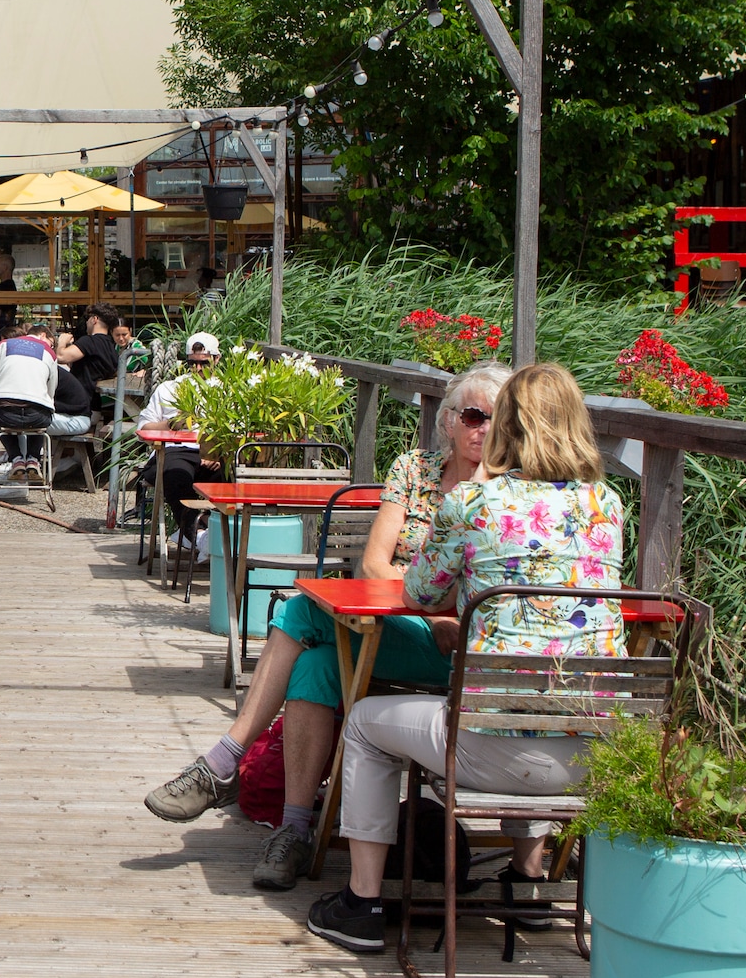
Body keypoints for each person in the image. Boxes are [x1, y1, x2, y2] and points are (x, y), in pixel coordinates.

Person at [142, 362, 514, 891]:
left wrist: (424, 593)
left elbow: (480, 580)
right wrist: (434, 604)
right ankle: (293, 829)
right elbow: (371, 566)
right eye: (474, 415)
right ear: (449, 420)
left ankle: (225, 762)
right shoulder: (415, 469)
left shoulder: (513, 490)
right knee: (315, 664)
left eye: (497, 418)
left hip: (474, 650)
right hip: (411, 632)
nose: (484, 428)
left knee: (300, 613)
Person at [306, 362, 629, 952]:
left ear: (506, 425)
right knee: (544, 686)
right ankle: (527, 885)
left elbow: (417, 593)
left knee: (363, 725)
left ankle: (361, 901)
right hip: (593, 756)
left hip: (488, 751)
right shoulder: (607, 506)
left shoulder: (476, 501)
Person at [137, 331, 223, 550]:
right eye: (192, 363)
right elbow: (144, 427)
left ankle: (214, 532)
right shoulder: (170, 388)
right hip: (176, 451)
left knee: (235, 474)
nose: (198, 369)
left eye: (204, 363)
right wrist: (172, 424)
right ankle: (195, 531)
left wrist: (216, 454)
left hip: (215, 453)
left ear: (217, 359)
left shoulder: (225, 390)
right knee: (176, 473)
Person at [0, 327, 81, 470]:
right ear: (42, 335)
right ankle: (33, 459)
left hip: (6, 414)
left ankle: (16, 458)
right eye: (51, 342)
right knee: (41, 414)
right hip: (37, 416)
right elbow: (51, 390)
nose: (51, 346)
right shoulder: (49, 353)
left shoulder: (5, 344)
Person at [53, 304, 122, 414]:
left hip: (77, 407)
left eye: (88, 318)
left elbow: (61, 357)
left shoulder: (89, 341)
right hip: (95, 406)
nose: (86, 322)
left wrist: (62, 341)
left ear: (94, 319)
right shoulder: (110, 346)